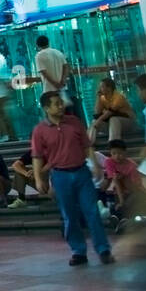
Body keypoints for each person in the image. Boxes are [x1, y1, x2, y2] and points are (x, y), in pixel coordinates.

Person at [31, 91, 113, 266]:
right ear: (46, 108)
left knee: (92, 212)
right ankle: (78, 251)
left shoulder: (74, 122)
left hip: (81, 172)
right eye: (56, 104)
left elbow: (87, 146)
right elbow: (37, 157)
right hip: (60, 175)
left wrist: (96, 166)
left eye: (61, 102)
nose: (61, 106)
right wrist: (39, 179)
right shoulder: (40, 131)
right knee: (69, 215)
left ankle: (103, 249)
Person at [98, 139, 143, 231]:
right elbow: (115, 181)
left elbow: (135, 187)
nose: (117, 156)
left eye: (120, 153)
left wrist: (122, 201)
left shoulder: (131, 166)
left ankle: (121, 220)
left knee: (127, 202)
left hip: (134, 190)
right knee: (119, 203)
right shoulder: (109, 162)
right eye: (113, 153)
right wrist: (121, 201)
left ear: (125, 152)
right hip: (119, 191)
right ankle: (119, 220)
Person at [89, 77, 134, 144]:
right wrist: (98, 98)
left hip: (128, 123)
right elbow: (97, 112)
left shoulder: (118, 97)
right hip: (113, 125)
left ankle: (113, 144)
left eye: (102, 87)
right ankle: (89, 144)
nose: (100, 89)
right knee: (94, 121)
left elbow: (110, 112)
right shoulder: (103, 98)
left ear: (109, 88)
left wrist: (98, 121)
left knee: (113, 119)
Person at [31, 35, 72, 109]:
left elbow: (43, 72)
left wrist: (55, 83)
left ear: (37, 45)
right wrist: (63, 81)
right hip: (62, 88)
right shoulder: (58, 52)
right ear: (48, 42)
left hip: (49, 90)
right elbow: (66, 67)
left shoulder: (39, 55)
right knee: (64, 110)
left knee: (53, 111)